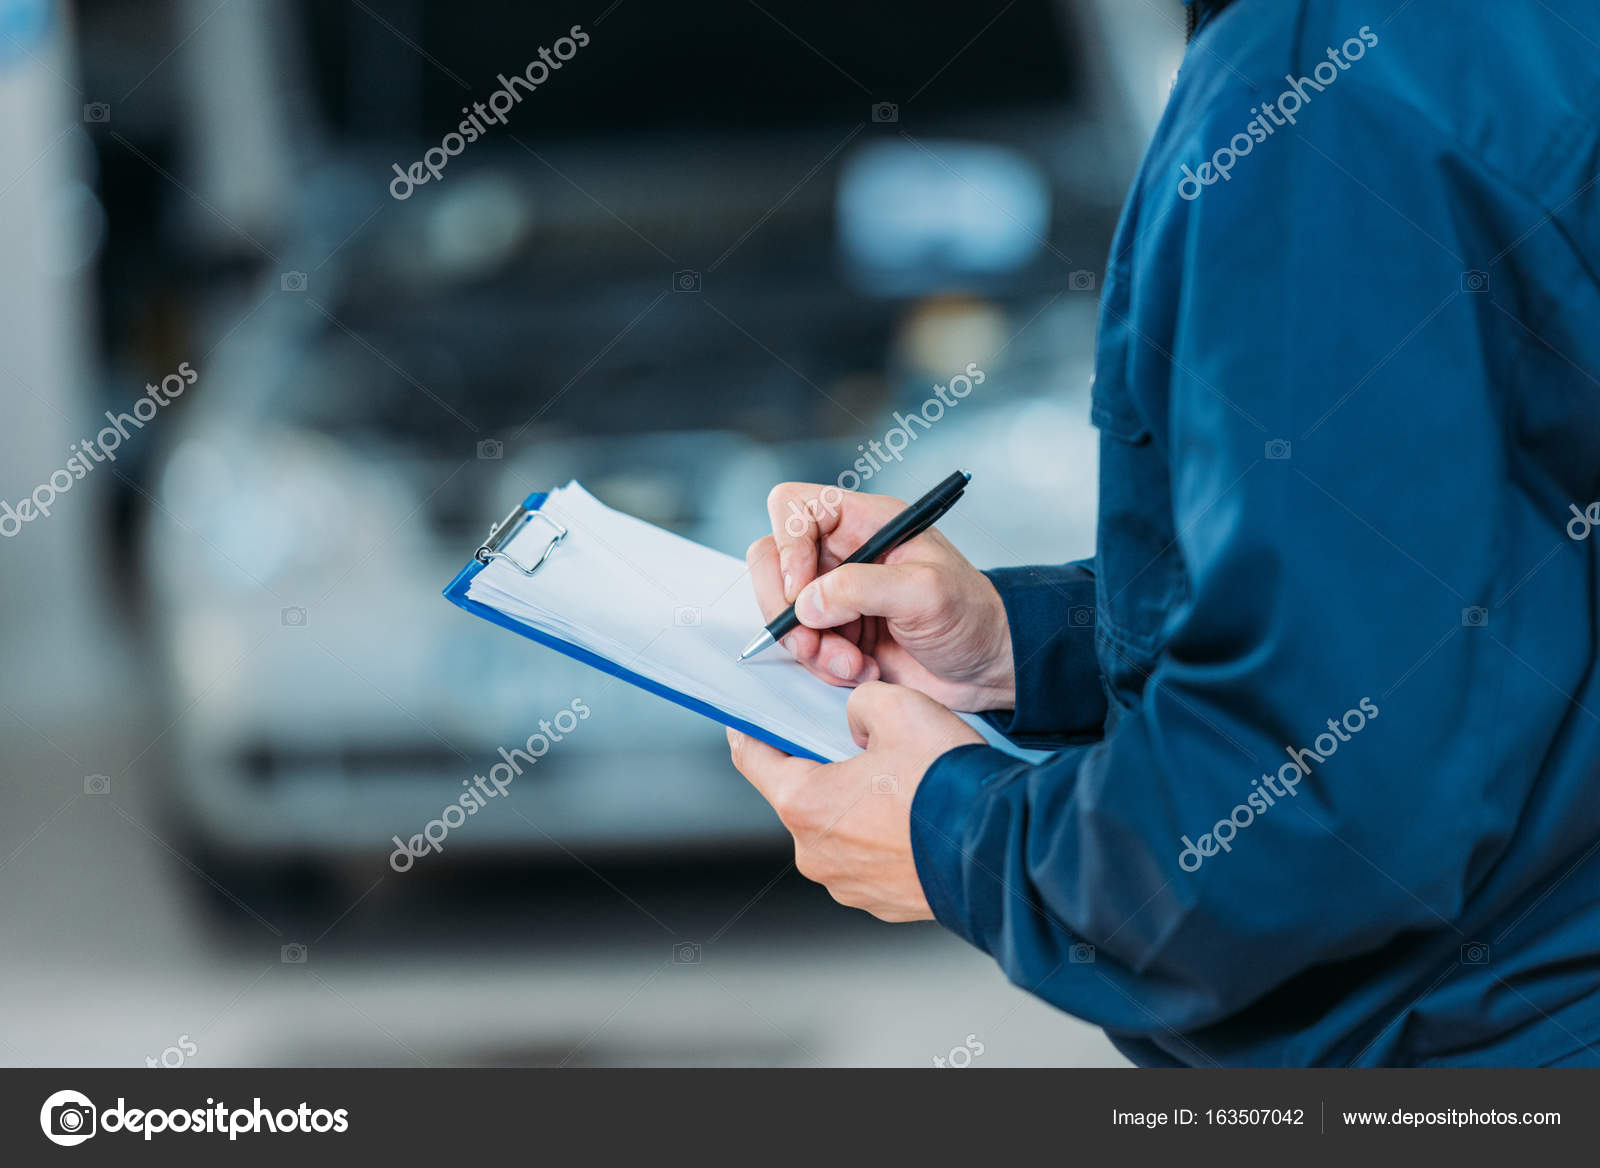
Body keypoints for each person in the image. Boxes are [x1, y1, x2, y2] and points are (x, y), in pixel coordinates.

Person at [726, 0, 1600, 1066]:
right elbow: (1469, 585)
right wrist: (1022, 641)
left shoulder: (1317, 89)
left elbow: (1312, 808)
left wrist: (952, 833)